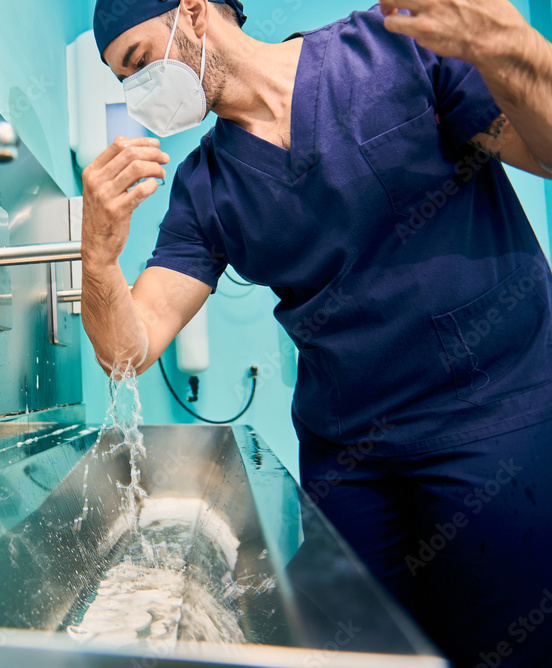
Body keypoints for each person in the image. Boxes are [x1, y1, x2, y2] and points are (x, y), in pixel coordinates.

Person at [81, 0, 552, 665]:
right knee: (356, 653)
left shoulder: (393, 50)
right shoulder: (206, 187)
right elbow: (129, 351)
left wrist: (516, 48)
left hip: (495, 418)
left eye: (137, 63)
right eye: (123, 80)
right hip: (352, 459)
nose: (138, 92)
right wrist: (97, 258)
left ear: (192, 14)